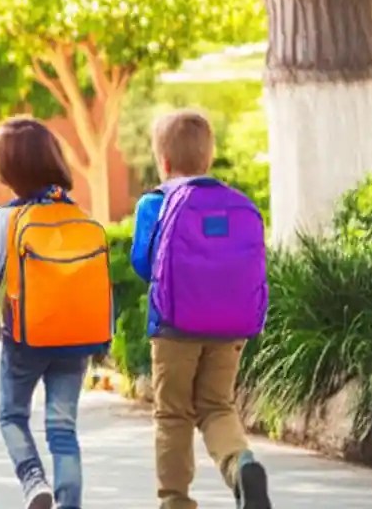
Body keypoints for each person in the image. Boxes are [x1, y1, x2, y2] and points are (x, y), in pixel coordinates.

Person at [0, 117, 108, 509]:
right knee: (63, 429)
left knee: (12, 416)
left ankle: (34, 482)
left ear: (7, 168)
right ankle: (69, 504)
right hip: (76, 338)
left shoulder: (5, 219)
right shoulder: (78, 214)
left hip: (25, 339)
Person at [132, 110, 271, 509]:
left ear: (164, 162)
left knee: (173, 415)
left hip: (174, 326)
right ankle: (239, 463)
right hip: (229, 328)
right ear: (208, 159)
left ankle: (175, 501)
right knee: (217, 406)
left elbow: (143, 263)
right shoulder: (235, 203)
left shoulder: (155, 203)